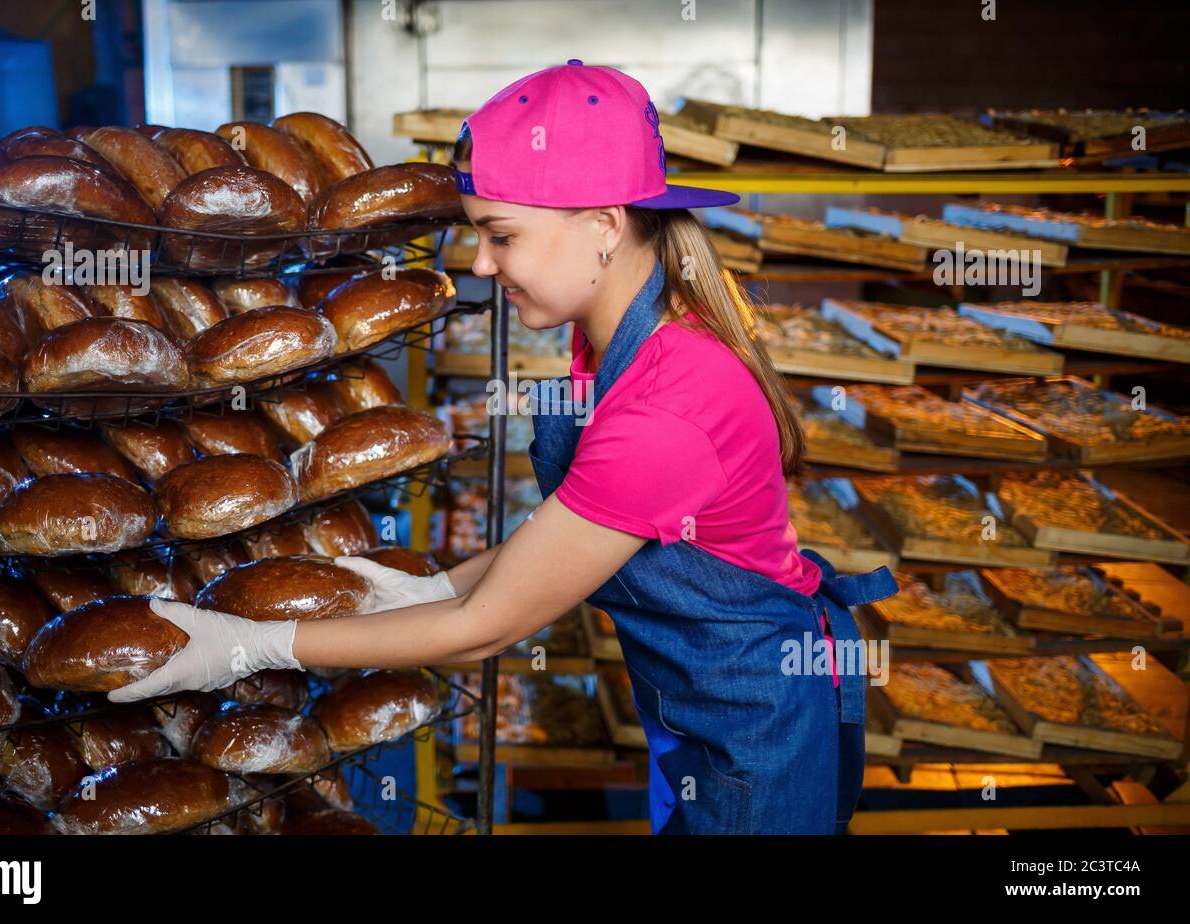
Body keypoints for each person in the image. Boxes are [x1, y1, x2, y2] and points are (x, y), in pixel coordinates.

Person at [109, 59, 899, 834]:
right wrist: (426, 589)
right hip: (702, 707)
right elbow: (575, 526)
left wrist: (252, 647)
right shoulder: (619, 341)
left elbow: (486, 627)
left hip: (756, 729)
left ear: (602, 227)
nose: (482, 265)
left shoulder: (668, 404)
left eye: (501, 236)